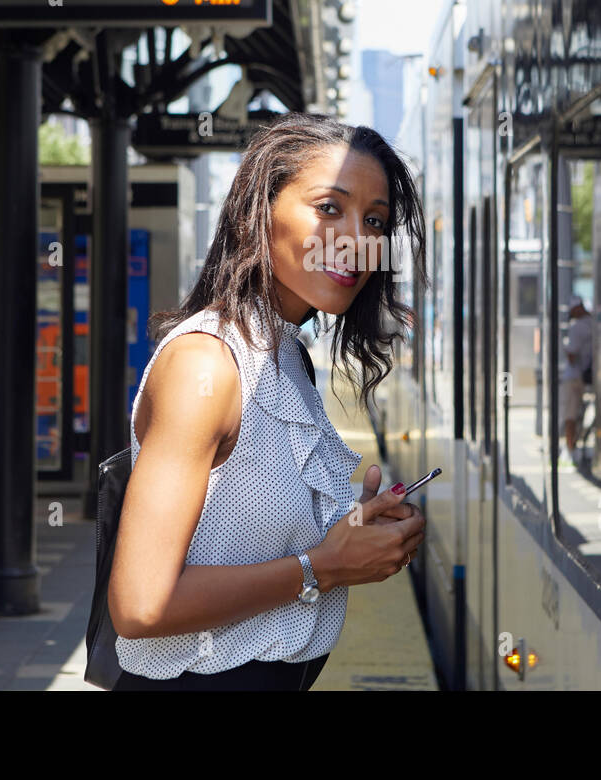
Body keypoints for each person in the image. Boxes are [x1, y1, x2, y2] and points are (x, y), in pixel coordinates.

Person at [108, 113, 429, 691]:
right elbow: (138, 607)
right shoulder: (207, 364)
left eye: (374, 220)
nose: (357, 239)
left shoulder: (284, 353)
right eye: (329, 207)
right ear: (259, 211)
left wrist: (355, 526)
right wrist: (324, 568)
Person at [559, 296, 594, 463]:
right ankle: (574, 446)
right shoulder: (593, 323)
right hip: (585, 376)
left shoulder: (577, 327)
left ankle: (570, 449)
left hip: (573, 377)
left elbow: (572, 355)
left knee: (570, 415)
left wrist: (565, 347)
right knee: (578, 413)